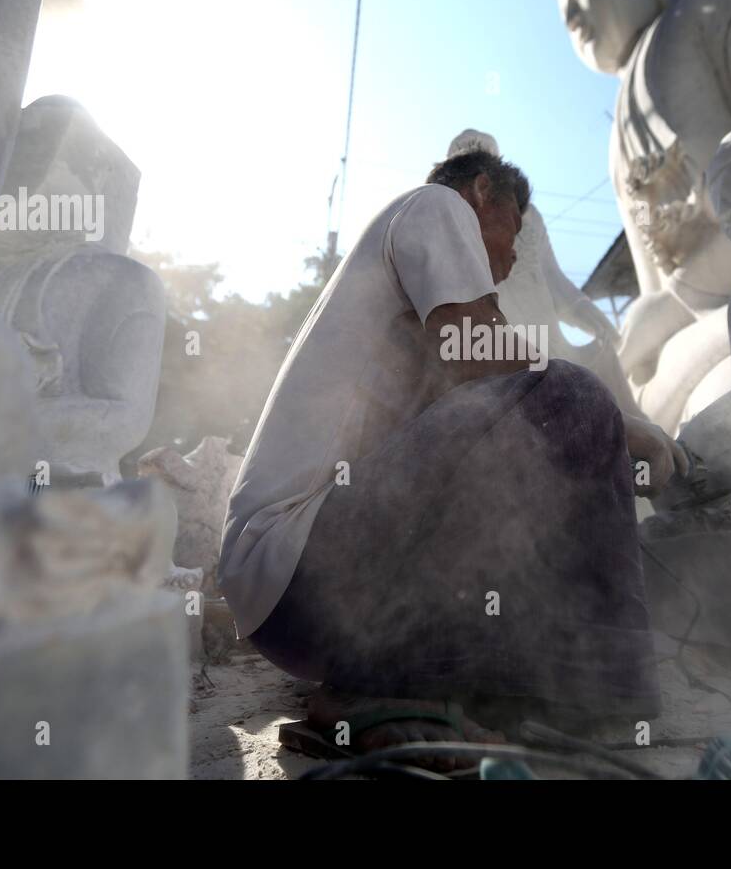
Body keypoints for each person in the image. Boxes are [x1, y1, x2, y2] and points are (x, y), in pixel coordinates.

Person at [220, 149, 686, 768]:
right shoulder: (433, 206)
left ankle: (395, 687)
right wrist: (624, 428)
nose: (515, 255)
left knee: (530, 458)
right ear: (481, 191)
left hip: (301, 617)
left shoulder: (405, 315)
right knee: (573, 396)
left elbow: (477, 444)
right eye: (513, 228)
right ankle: (596, 688)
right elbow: (481, 350)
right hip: (303, 569)